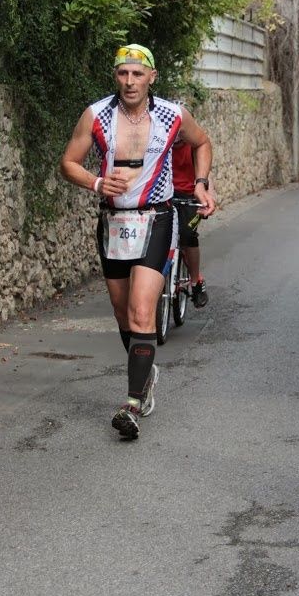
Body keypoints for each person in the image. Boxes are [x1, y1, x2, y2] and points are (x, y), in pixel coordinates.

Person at [60, 44, 215, 440]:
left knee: (143, 310)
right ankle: (145, 372)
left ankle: (132, 404)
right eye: (122, 73)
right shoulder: (97, 115)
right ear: (116, 76)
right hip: (114, 222)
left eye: (137, 74)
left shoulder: (172, 115)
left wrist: (201, 183)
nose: (129, 81)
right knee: (122, 313)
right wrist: (97, 182)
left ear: (151, 77)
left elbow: (202, 142)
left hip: (157, 217)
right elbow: (68, 162)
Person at [171, 137, 210, 307]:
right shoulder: (161, 141)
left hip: (190, 198)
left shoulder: (194, 145)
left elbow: (206, 176)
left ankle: (196, 282)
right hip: (167, 196)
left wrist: (208, 197)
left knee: (188, 235)